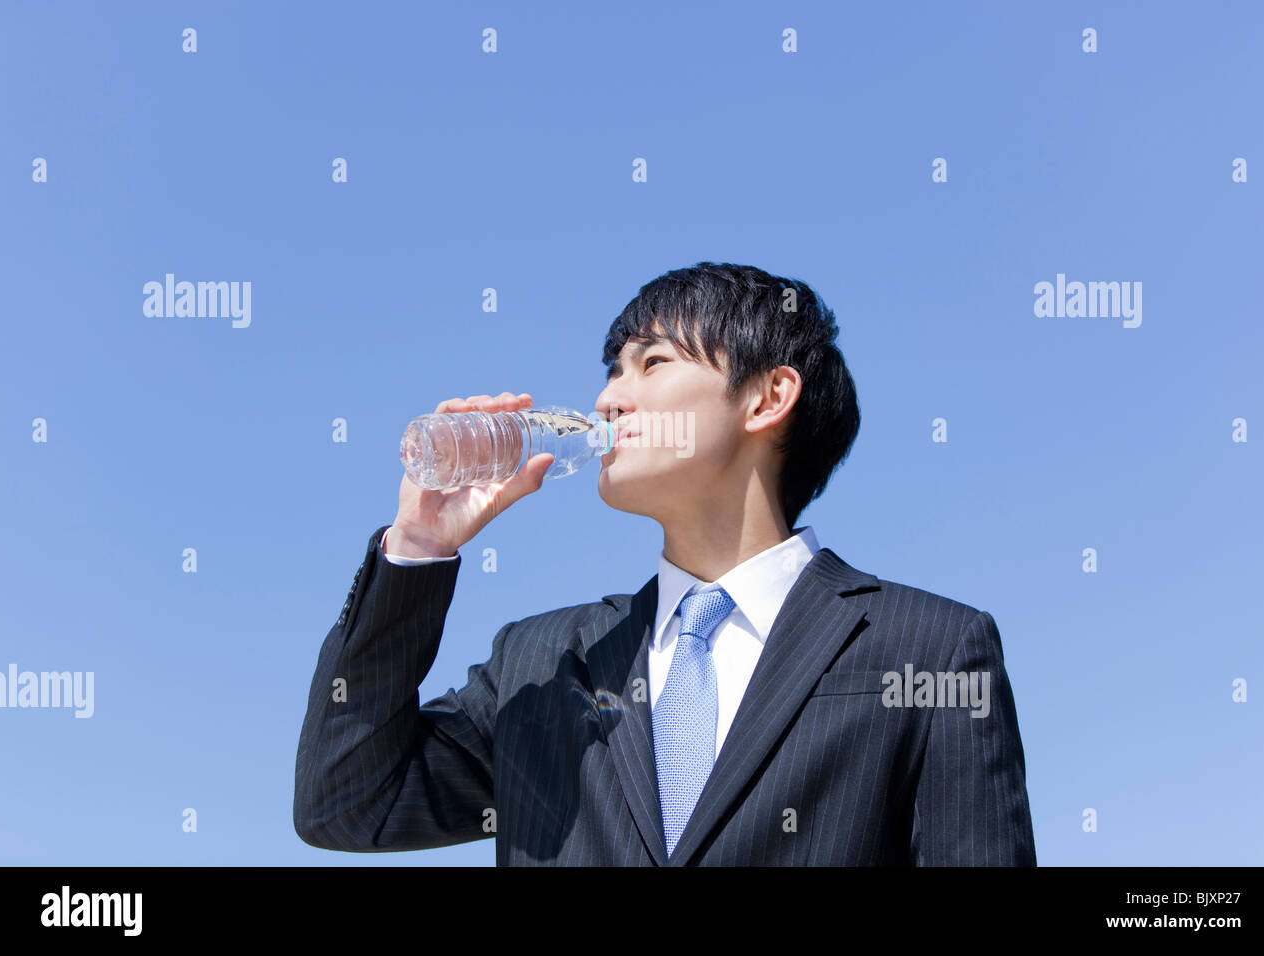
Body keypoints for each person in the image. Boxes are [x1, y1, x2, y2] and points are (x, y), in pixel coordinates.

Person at [293, 261, 1037, 865]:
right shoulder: (542, 663)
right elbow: (348, 803)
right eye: (612, 370)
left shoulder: (929, 650)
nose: (610, 399)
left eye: (651, 362)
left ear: (768, 397)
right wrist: (419, 547)